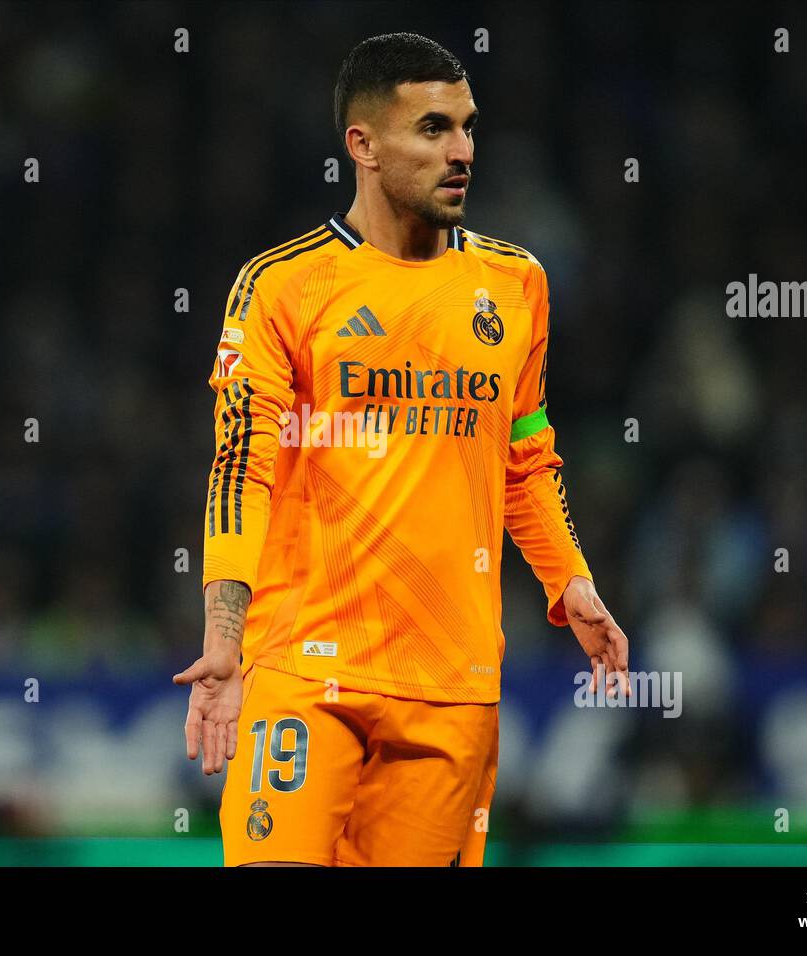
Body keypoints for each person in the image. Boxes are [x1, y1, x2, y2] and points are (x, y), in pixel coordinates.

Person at [174, 32, 630, 867]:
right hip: (307, 669)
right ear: (364, 146)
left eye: (467, 127)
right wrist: (223, 637)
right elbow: (242, 463)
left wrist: (572, 580)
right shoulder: (282, 285)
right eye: (432, 129)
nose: (462, 152)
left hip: (452, 685)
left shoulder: (515, 284)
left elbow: (525, 453)